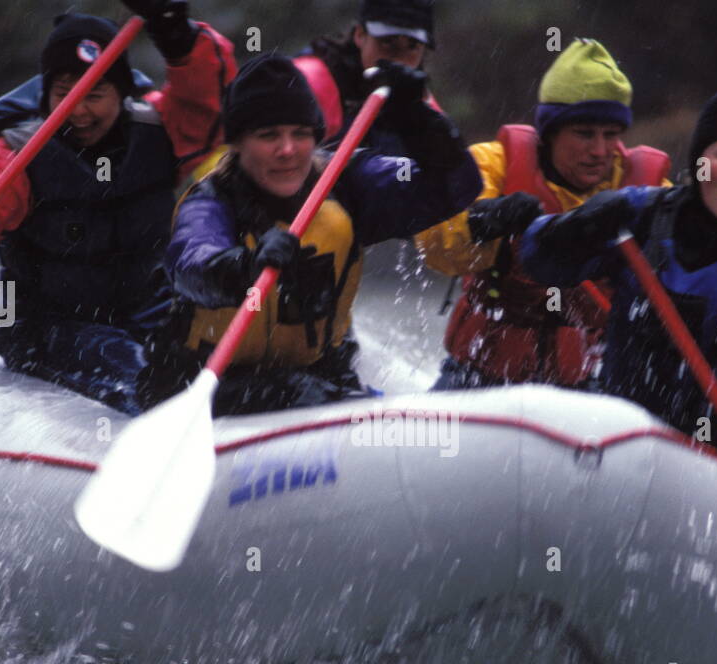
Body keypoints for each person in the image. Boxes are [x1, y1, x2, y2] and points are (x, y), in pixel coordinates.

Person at [518, 83, 717, 541]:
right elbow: (541, 260)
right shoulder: (638, 218)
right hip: (620, 445)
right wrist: (566, 229)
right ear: (700, 162)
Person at [0, 3, 237, 415]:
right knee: (130, 364)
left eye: (95, 93)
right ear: (46, 93)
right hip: (44, 327)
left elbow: (209, 99)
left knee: (218, 366)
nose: (80, 111)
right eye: (64, 93)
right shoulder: (18, 154)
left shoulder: (162, 129)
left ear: (121, 94)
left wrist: (174, 33)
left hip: (148, 311)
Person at [164, 53, 481, 415]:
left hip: (318, 377)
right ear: (237, 144)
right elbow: (191, 265)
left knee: (311, 388)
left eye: (300, 134)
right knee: (296, 390)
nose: (287, 150)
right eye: (269, 136)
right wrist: (245, 266)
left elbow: (457, 187)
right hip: (210, 386)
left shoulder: (348, 184)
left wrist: (418, 121)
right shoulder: (210, 202)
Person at [417, 39, 672, 390]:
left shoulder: (647, 190)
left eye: (610, 135)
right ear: (550, 133)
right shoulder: (493, 164)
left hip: (585, 380)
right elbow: (434, 244)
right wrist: (481, 221)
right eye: (584, 134)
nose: (600, 151)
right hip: (479, 374)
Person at [294, 0, 443, 153]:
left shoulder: (422, 103)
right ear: (360, 35)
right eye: (387, 42)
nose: (398, 59)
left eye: (412, 46)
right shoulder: (309, 83)